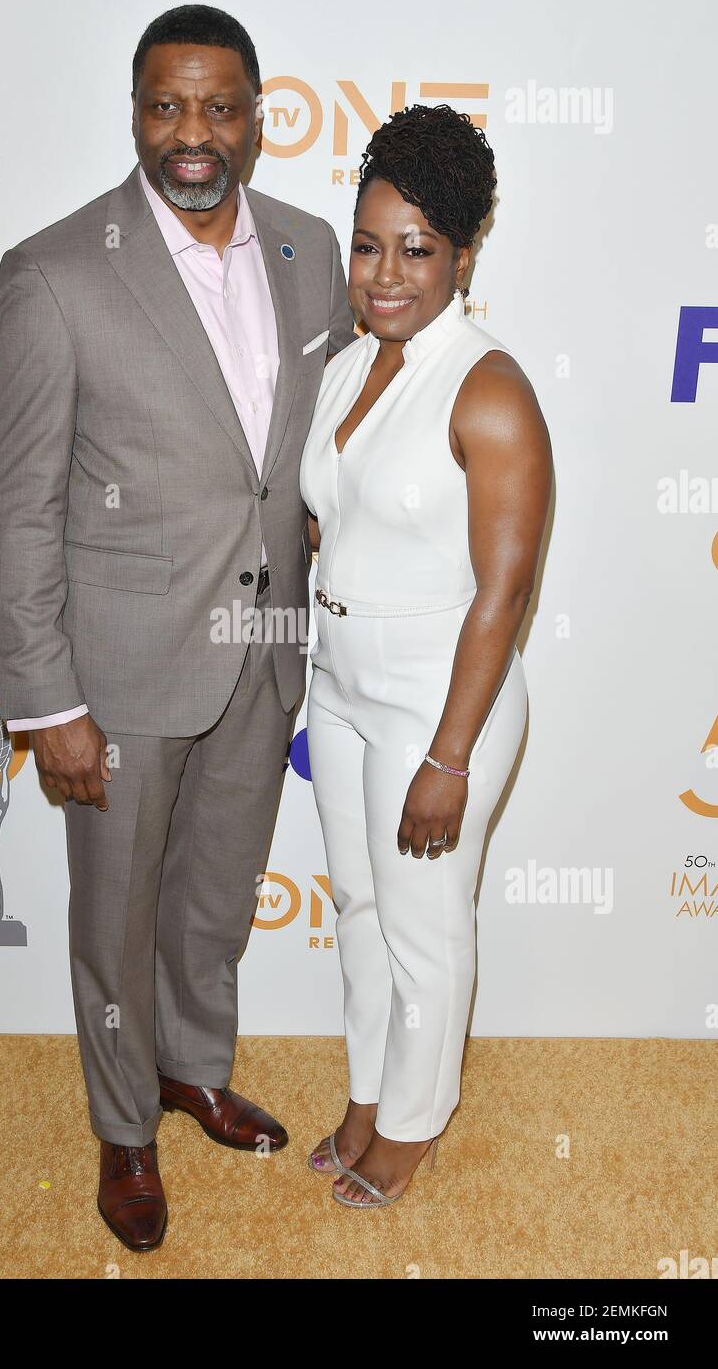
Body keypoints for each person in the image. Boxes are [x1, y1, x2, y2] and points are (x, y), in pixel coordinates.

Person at [0, 4, 357, 1250]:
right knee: (114, 916)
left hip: (264, 657)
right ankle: (123, 1125)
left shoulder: (311, 253)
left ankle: (194, 1067)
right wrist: (49, 701)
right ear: (135, 110)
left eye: (219, 106)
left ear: (257, 114)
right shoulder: (58, 271)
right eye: (166, 105)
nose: (193, 133)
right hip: (123, 669)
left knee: (212, 896)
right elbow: (20, 504)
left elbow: (309, 458)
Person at [300, 104, 552, 1207]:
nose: (386, 275)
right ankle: (366, 1090)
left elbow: (505, 591)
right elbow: (332, 519)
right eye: (368, 245)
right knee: (358, 905)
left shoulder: (487, 388)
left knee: (422, 922)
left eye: (416, 251)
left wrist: (447, 758)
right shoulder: (345, 369)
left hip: (439, 705)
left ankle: (413, 1119)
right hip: (343, 690)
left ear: (463, 254)